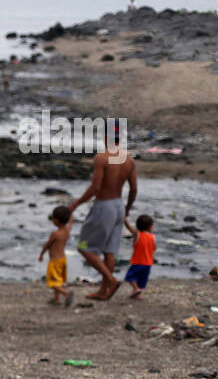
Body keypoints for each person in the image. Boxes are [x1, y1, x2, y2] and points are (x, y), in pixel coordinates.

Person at [68, 122, 138, 300]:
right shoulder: (128, 159)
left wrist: (76, 204)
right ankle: (103, 291)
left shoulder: (102, 157)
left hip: (103, 206)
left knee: (84, 247)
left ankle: (111, 280)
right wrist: (127, 209)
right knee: (109, 250)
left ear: (104, 136)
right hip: (118, 206)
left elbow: (95, 186)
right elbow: (133, 189)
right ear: (120, 137)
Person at [40, 205, 74, 305]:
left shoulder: (55, 234)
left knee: (52, 282)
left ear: (57, 220)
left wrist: (41, 254)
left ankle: (66, 293)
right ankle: (56, 299)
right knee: (58, 281)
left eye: (53, 219)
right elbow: (71, 221)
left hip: (54, 261)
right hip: (63, 260)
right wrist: (71, 212)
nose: (52, 221)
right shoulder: (67, 230)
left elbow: (47, 245)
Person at [122, 214, 156, 298]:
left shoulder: (138, 235)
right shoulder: (152, 237)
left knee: (130, 276)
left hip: (138, 262)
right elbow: (154, 248)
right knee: (141, 279)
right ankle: (138, 294)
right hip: (148, 263)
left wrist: (124, 219)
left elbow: (129, 228)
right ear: (150, 227)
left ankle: (136, 289)